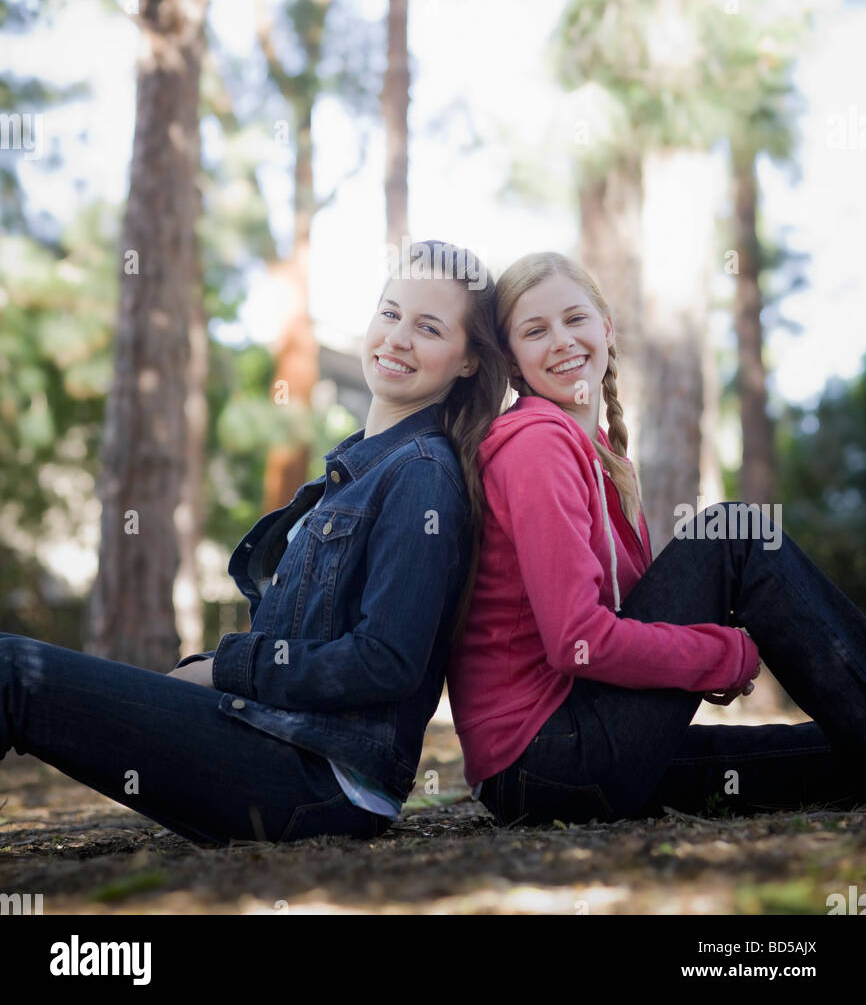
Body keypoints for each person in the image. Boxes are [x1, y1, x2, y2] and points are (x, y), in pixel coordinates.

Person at [0, 240, 508, 846]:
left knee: (11, 672)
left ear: (469, 361)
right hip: (277, 742)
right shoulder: (357, 468)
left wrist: (226, 670)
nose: (398, 338)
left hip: (316, 778)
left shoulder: (422, 474)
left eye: (429, 327)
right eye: (391, 313)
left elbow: (386, 661)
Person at [446, 249, 866, 828]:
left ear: (606, 326)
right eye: (535, 330)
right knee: (732, 534)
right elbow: (577, 641)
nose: (562, 340)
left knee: (828, 755)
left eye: (575, 318)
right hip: (549, 755)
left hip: (544, 772)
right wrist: (725, 655)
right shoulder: (535, 445)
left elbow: (626, 622)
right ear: (513, 362)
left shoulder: (599, 453)